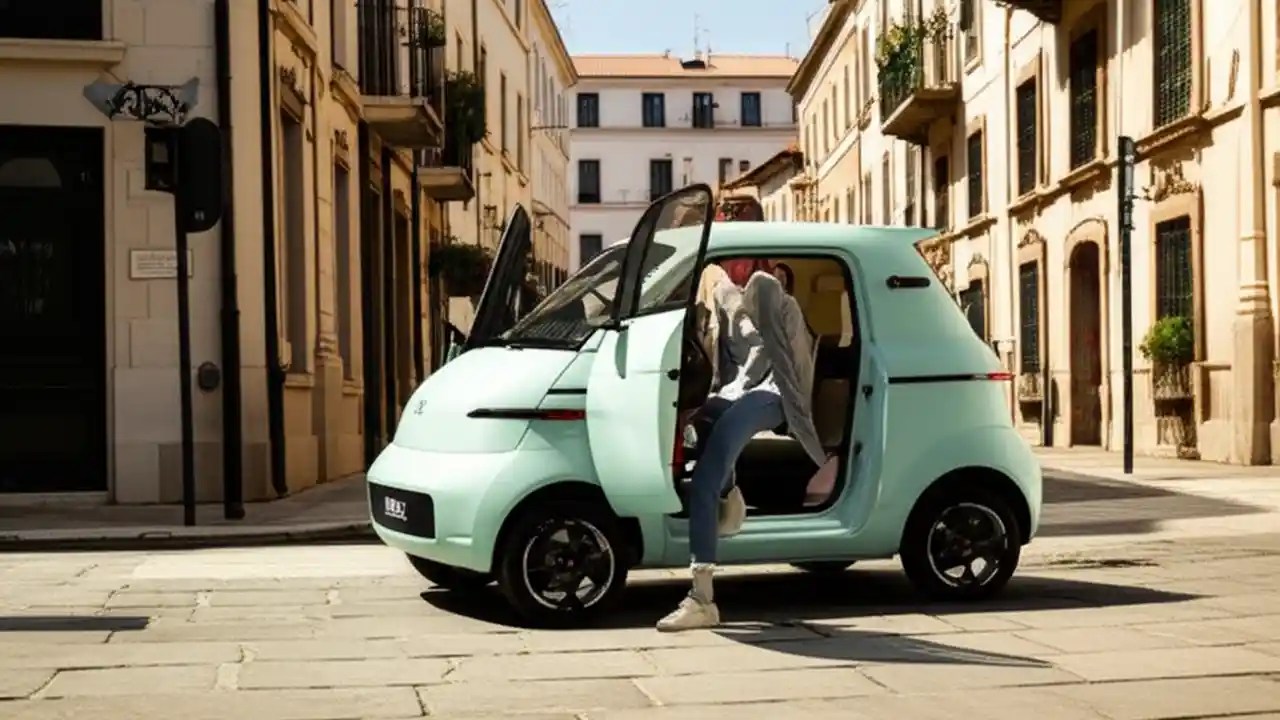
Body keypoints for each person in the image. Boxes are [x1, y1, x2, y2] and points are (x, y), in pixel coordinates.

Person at [657, 265, 827, 632]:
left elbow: (772, 357)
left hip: (777, 394)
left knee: (705, 475)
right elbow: (739, 363)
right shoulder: (730, 297)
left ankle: (702, 600)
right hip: (752, 389)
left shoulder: (765, 293)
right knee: (703, 420)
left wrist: (735, 388)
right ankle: (727, 492)